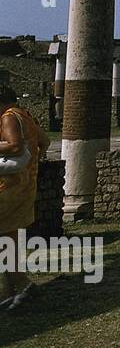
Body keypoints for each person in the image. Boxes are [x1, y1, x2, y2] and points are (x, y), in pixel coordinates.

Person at [0, 86, 49, 310]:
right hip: (25, 185)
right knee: (8, 238)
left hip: (8, 187)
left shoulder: (8, 117)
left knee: (6, 240)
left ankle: (22, 285)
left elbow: (15, 145)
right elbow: (45, 141)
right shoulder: (24, 116)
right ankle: (12, 291)